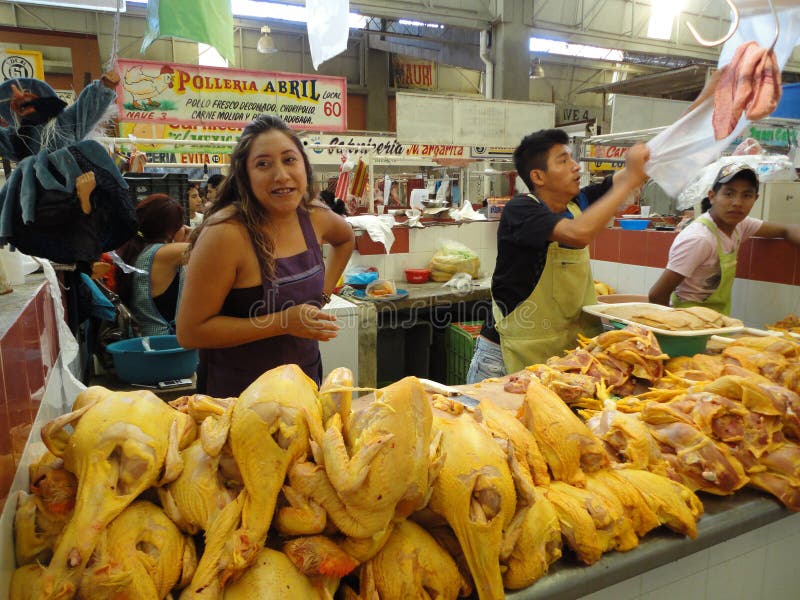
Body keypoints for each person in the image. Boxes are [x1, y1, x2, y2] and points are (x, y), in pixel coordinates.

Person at [176, 114, 355, 396]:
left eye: (289, 159)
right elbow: (190, 332)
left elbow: (345, 239)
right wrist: (283, 322)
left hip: (304, 385)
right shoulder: (225, 234)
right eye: (263, 164)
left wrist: (323, 295)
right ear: (244, 176)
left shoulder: (313, 215)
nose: (281, 175)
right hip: (238, 397)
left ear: (304, 165)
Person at [466, 129, 649, 383]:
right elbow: (577, 234)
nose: (576, 166)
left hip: (562, 360)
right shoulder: (521, 210)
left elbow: (626, 176)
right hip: (507, 358)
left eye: (572, 158)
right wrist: (630, 180)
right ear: (538, 176)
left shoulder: (578, 203)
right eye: (563, 161)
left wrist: (640, 164)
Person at [648, 164, 800, 315]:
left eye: (746, 195)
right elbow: (657, 295)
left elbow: (786, 230)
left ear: (755, 199)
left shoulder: (740, 225)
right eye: (729, 194)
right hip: (689, 320)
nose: (737, 203)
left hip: (718, 319)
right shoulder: (700, 239)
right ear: (712, 196)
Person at [116, 194, 190, 336]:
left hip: (144, 339)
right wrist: (193, 233)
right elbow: (212, 250)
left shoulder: (136, 250)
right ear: (170, 230)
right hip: (165, 343)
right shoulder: (164, 253)